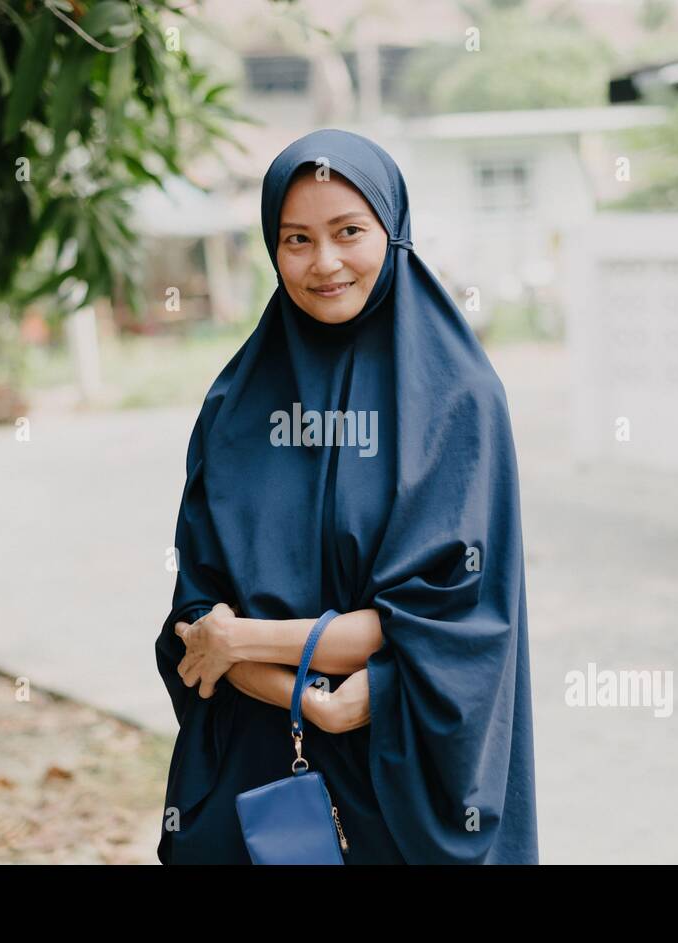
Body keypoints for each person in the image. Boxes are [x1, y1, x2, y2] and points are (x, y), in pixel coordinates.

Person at [155, 128, 539, 864]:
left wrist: (243, 642)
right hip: (259, 777)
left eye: (348, 232)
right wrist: (314, 702)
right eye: (296, 239)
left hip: (404, 780)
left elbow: (443, 623)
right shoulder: (236, 405)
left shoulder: (458, 401)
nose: (324, 263)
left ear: (391, 232)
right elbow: (194, 626)